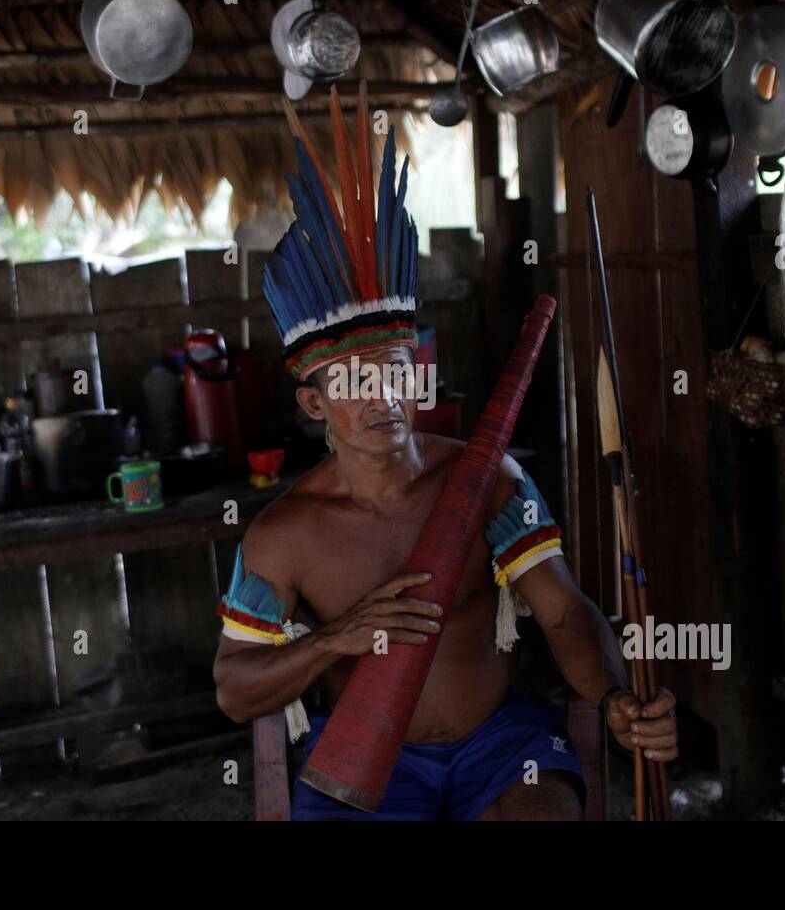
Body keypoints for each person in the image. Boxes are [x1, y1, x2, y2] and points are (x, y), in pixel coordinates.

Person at [212, 85, 677, 820]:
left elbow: (562, 612)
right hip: (364, 760)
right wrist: (338, 637)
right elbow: (236, 689)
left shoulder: (487, 480)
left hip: (501, 745)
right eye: (355, 379)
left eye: (398, 367)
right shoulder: (285, 534)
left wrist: (616, 698)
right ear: (313, 402)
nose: (384, 393)